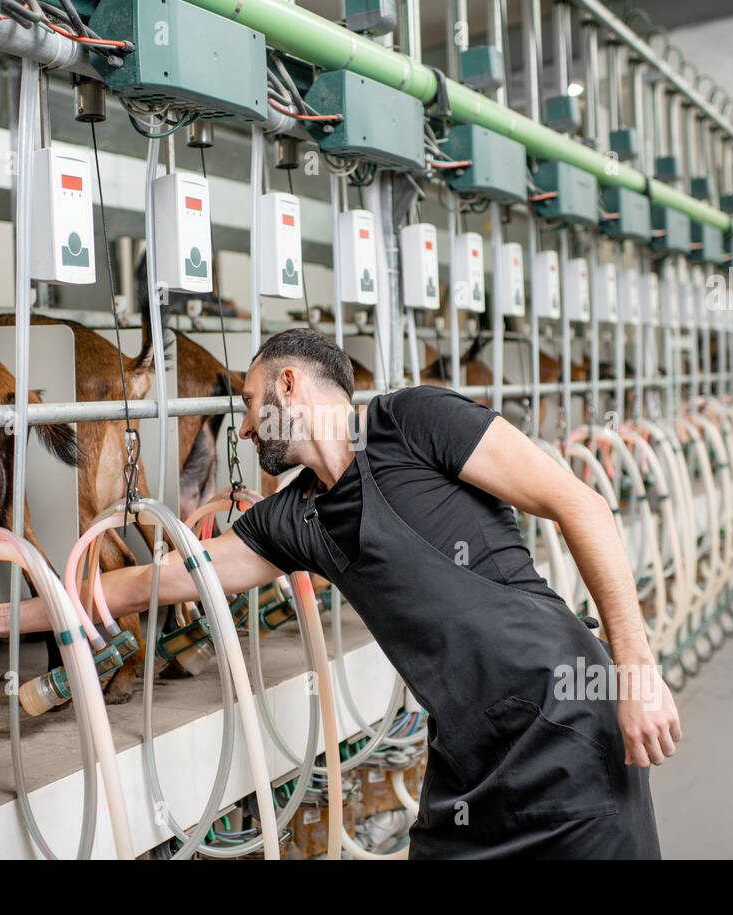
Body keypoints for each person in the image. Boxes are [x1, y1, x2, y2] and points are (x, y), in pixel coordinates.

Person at [100, 328, 680, 858]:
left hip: (566, 723)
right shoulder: (293, 516)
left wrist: (635, 672)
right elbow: (157, 581)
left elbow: (581, 505)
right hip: (468, 757)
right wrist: (21, 612)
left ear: (288, 383)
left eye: (249, 403)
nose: (246, 428)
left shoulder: (414, 421)